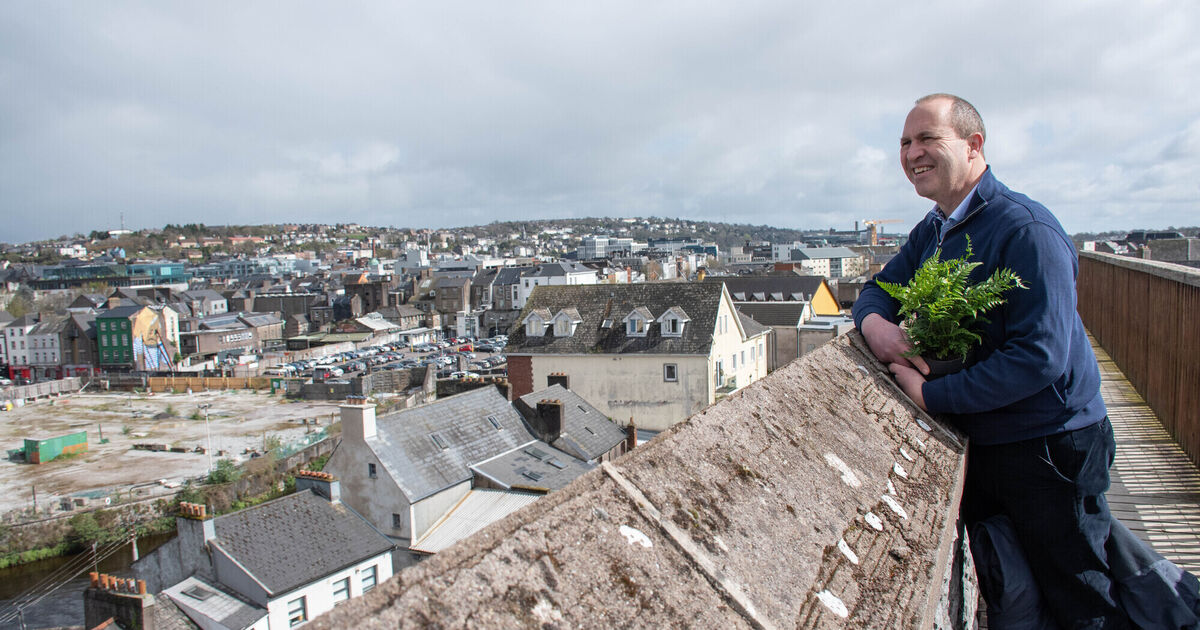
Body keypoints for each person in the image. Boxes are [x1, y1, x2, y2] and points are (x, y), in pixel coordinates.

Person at [852, 94, 1200, 629]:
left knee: (1078, 595)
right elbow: (879, 288)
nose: (912, 153)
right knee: (1017, 591)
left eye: (927, 139)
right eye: (905, 142)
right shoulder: (937, 228)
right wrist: (875, 326)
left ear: (974, 146)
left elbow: (1039, 358)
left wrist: (931, 395)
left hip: (1050, 445)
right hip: (995, 438)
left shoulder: (1027, 230)